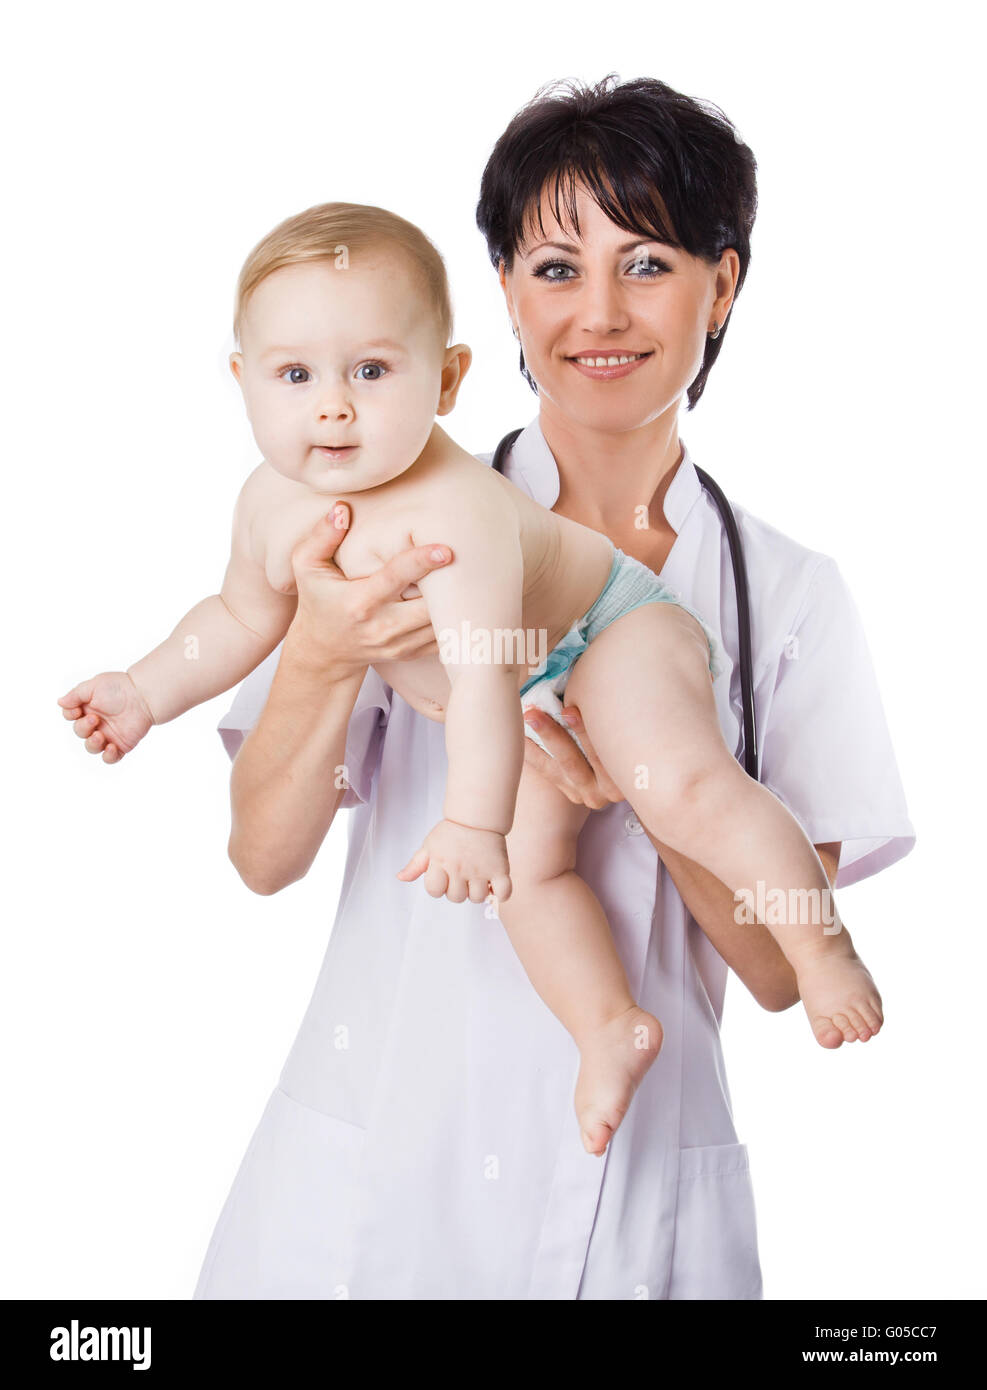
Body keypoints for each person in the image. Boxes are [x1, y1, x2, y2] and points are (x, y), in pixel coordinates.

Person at [188, 75, 913, 1299]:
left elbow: (781, 973)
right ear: (506, 300)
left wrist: (638, 779)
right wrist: (322, 643)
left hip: (626, 1195)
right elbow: (264, 855)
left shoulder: (786, 591)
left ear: (720, 286)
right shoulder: (374, 525)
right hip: (370, 1167)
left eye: (649, 265)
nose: (599, 314)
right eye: (555, 269)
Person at [56, 195, 885, 1163]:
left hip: (608, 628)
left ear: (446, 379)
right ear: (241, 382)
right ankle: (608, 1027)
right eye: (294, 375)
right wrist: (143, 692)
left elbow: (486, 682)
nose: (333, 404)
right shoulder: (270, 506)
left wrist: (470, 822)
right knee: (531, 872)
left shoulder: (459, 514)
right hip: (518, 727)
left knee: (690, 783)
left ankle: (826, 944)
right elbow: (239, 621)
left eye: (372, 371)